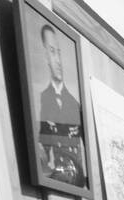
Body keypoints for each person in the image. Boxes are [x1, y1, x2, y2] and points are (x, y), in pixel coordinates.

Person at [37, 24, 85, 188]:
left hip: (74, 179)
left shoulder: (74, 104)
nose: (57, 59)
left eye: (58, 52)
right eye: (52, 51)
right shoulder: (41, 100)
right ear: (45, 57)